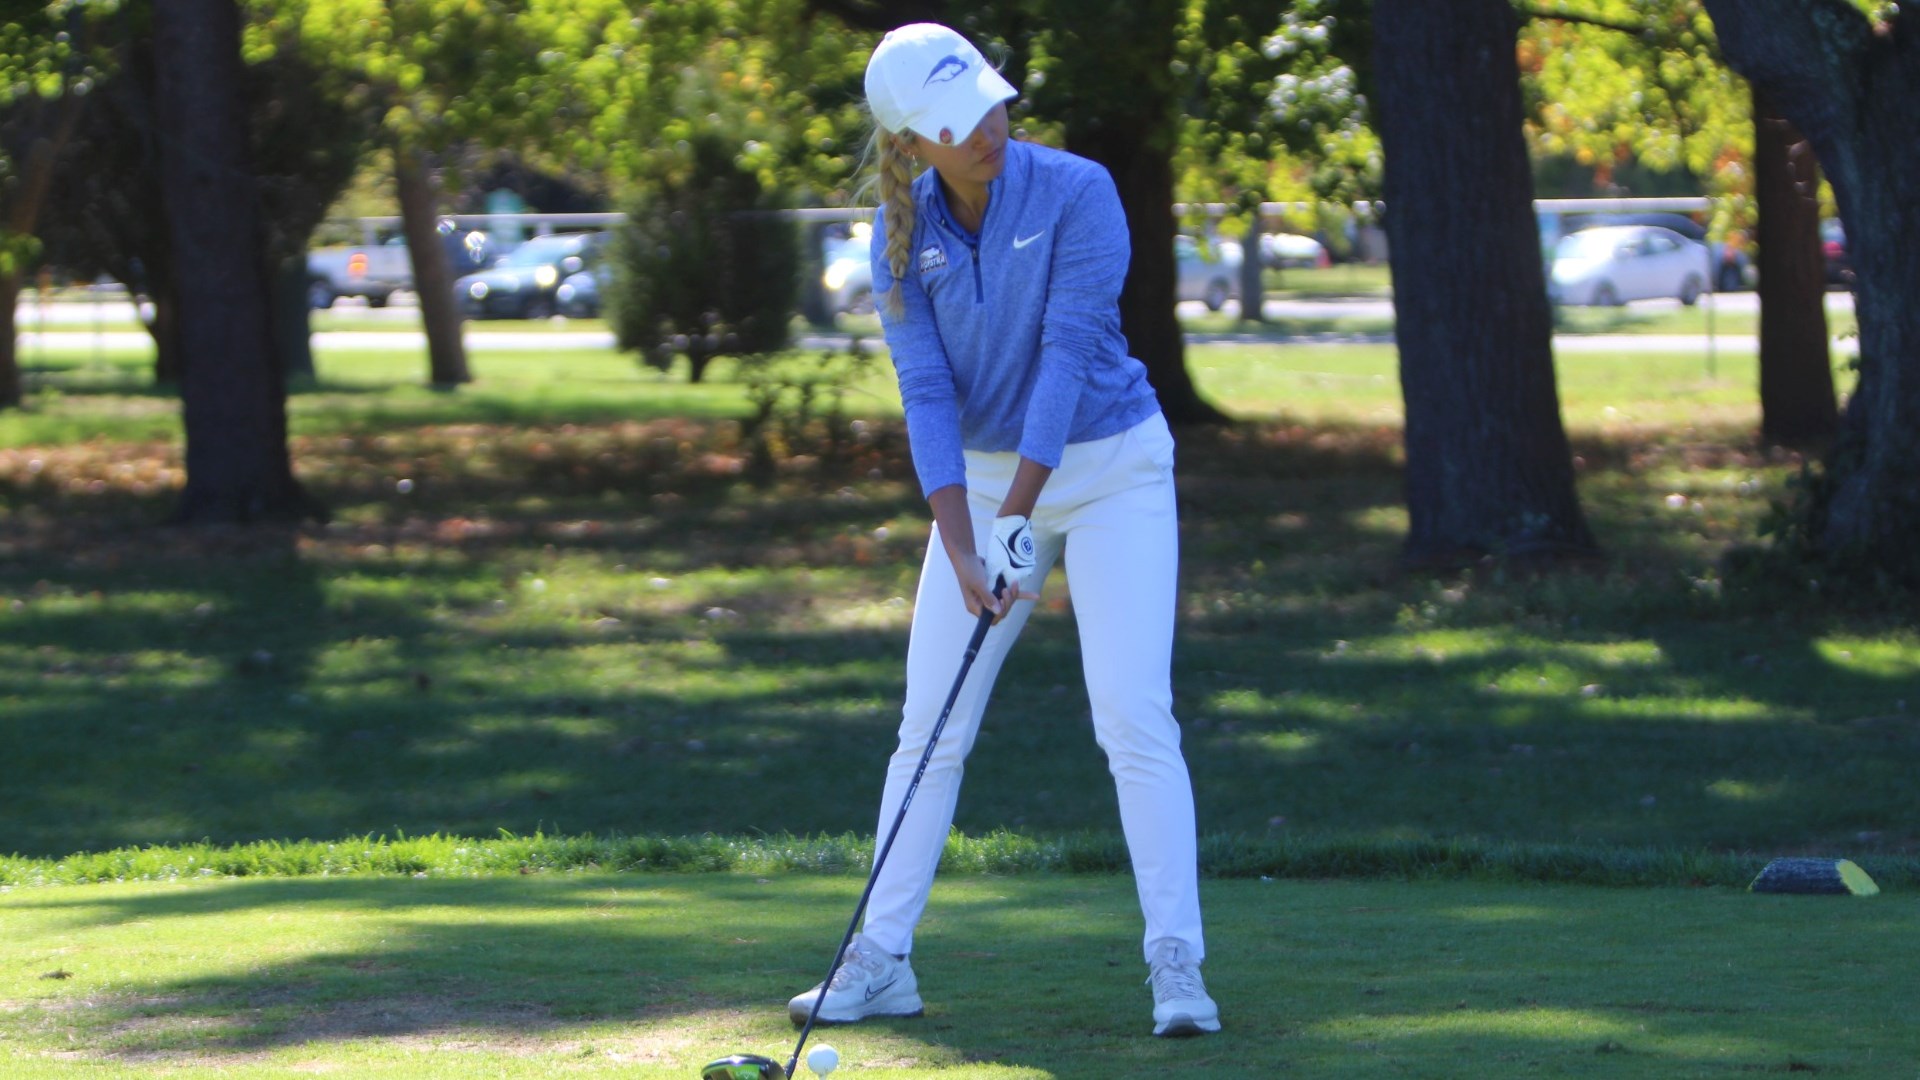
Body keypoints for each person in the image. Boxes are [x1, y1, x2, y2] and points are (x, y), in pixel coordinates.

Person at [784, 22, 1219, 1038]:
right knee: (928, 728)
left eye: (986, 103)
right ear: (910, 145)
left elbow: (1067, 360)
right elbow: (927, 392)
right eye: (954, 122)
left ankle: (1176, 963)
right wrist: (964, 539)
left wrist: (1013, 526)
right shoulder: (899, 241)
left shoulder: (1080, 191)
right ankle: (879, 958)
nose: (985, 129)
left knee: (1132, 713)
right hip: (979, 487)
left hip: (1111, 468)